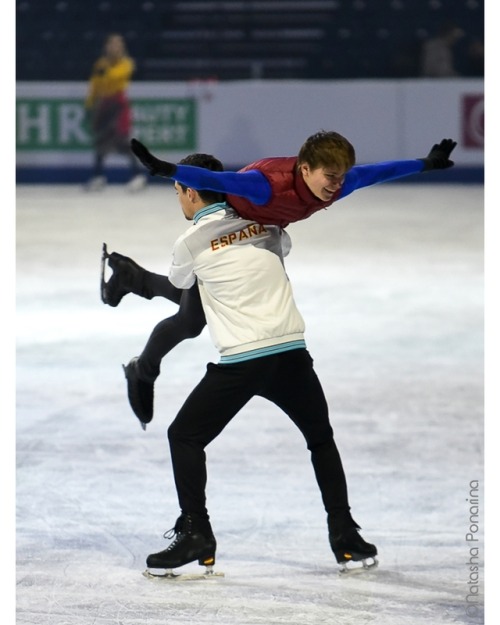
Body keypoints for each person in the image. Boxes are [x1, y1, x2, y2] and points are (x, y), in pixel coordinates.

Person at [101, 131, 456, 428]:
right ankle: (142, 368)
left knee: (198, 311)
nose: (336, 185)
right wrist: (166, 170)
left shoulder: (335, 183)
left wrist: (427, 162)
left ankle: (134, 283)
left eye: (340, 177)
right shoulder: (267, 186)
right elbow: (219, 181)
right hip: (229, 222)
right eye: (330, 177)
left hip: (254, 228)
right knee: (194, 318)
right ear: (306, 169)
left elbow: (378, 171)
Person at [141, 152, 377, 576]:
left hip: (243, 361)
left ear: (191, 192)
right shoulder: (270, 223)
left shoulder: (189, 242)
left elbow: (180, 290)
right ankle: (344, 533)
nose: (179, 200)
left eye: (178, 192)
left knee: (184, 436)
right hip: (291, 353)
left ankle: (197, 533)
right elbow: (279, 245)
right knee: (320, 439)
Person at [84, 33, 146, 192]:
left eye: (118, 44)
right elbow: (95, 84)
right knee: (101, 141)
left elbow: (116, 77)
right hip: (104, 104)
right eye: (111, 44)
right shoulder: (100, 64)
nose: (114, 47)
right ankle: (98, 176)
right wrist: (90, 103)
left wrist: (106, 73)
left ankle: (137, 176)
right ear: (106, 46)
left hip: (118, 105)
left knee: (122, 140)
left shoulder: (127, 63)